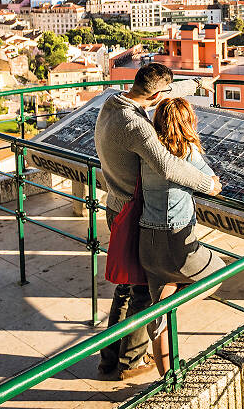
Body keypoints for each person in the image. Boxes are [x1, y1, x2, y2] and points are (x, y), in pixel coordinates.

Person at [94, 63, 221, 381]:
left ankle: (109, 358)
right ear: (156, 94)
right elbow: (167, 166)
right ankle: (131, 361)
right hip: (132, 214)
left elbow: (160, 93)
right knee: (140, 293)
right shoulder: (136, 125)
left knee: (126, 287)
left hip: (116, 205)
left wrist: (194, 83)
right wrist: (210, 186)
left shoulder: (112, 100)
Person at [140, 97, 226, 375]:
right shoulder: (186, 151)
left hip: (146, 238)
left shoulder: (148, 151)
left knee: (159, 306)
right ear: (187, 122)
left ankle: (166, 380)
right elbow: (213, 184)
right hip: (176, 238)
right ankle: (167, 312)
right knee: (218, 273)